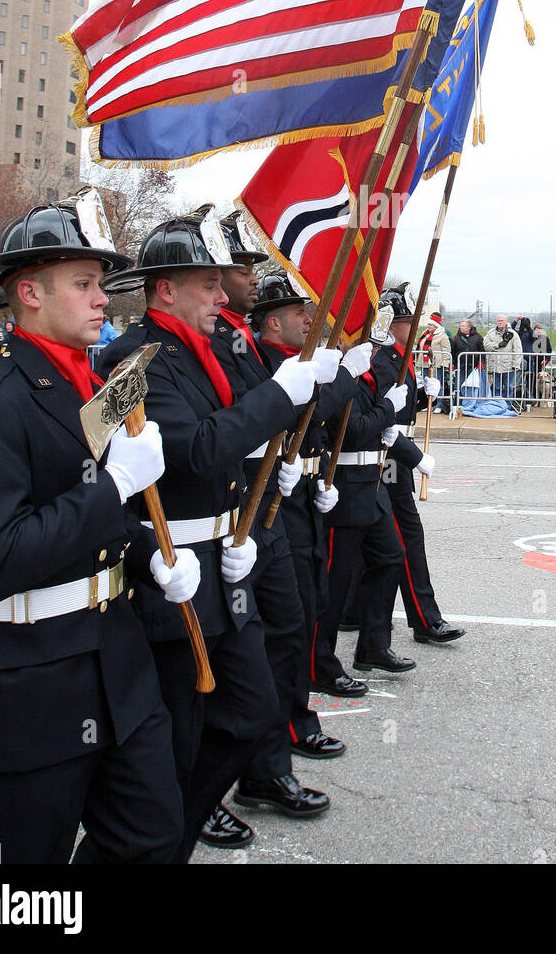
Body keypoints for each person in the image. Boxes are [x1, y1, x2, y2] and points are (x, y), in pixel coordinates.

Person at [0, 192, 186, 864]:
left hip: (115, 662)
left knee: (153, 837)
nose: (103, 298)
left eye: (100, 284)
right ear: (30, 294)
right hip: (28, 683)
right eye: (83, 284)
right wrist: (115, 488)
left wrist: (148, 556)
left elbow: (86, 516)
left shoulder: (90, 389)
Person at [100, 208, 329, 856]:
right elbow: (197, 448)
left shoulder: (208, 353)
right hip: (170, 566)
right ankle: (163, 837)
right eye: (206, 284)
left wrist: (244, 528)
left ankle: (179, 824)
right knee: (179, 728)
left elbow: (230, 448)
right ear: (165, 289)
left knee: (252, 710)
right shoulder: (131, 360)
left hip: (225, 555)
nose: (220, 293)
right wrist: (281, 394)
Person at [207, 213, 344, 825]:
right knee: (216, 662)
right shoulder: (185, 349)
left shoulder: (236, 342)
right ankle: (208, 788)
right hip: (216, 525)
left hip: (263, 509)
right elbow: (209, 435)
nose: (245, 278)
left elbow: (277, 414)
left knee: (288, 629)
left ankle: (269, 764)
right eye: (236, 269)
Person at [250, 270, 372, 757]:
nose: (308, 319)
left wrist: (319, 477)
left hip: (305, 495)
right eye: (299, 313)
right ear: (272, 324)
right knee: (291, 617)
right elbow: (311, 408)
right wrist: (347, 374)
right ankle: (292, 726)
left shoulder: (291, 360)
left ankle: (293, 721)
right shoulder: (268, 361)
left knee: (311, 604)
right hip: (277, 504)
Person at [312, 306, 410, 693]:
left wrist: (399, 404)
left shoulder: (368, 375)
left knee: (390, 558)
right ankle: (321, 662)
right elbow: (352, 432)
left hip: (373, 485)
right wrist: (389, 410)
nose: (371, 345)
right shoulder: (337, 376)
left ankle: (373, 645)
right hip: (345, 486)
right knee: (333, 585)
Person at [372, 284, 465, 652]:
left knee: (374, 548)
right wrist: (417, 458)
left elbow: (403, 413)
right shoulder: (384, 361)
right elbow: (384, 424)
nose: (417, 329)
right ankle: (425, 620)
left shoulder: (401, 359)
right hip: (388, 464)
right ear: (392, 324)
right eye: (410, 322)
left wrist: (426, 397)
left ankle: (349, 612)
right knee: (408, 541)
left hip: (398, 461)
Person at [482, 314, 523, 401]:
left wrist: (516, 364)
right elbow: (485, 345)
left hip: (508, 366)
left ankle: (508, 405)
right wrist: (497, 345)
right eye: (498, 321)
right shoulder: (490, 333)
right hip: (495, 365)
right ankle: (497, 404)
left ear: (506, 322)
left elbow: (518, 350)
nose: (500, 322)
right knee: (496, 387)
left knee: (509, 387)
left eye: (502, 321)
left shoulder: (514, 334)